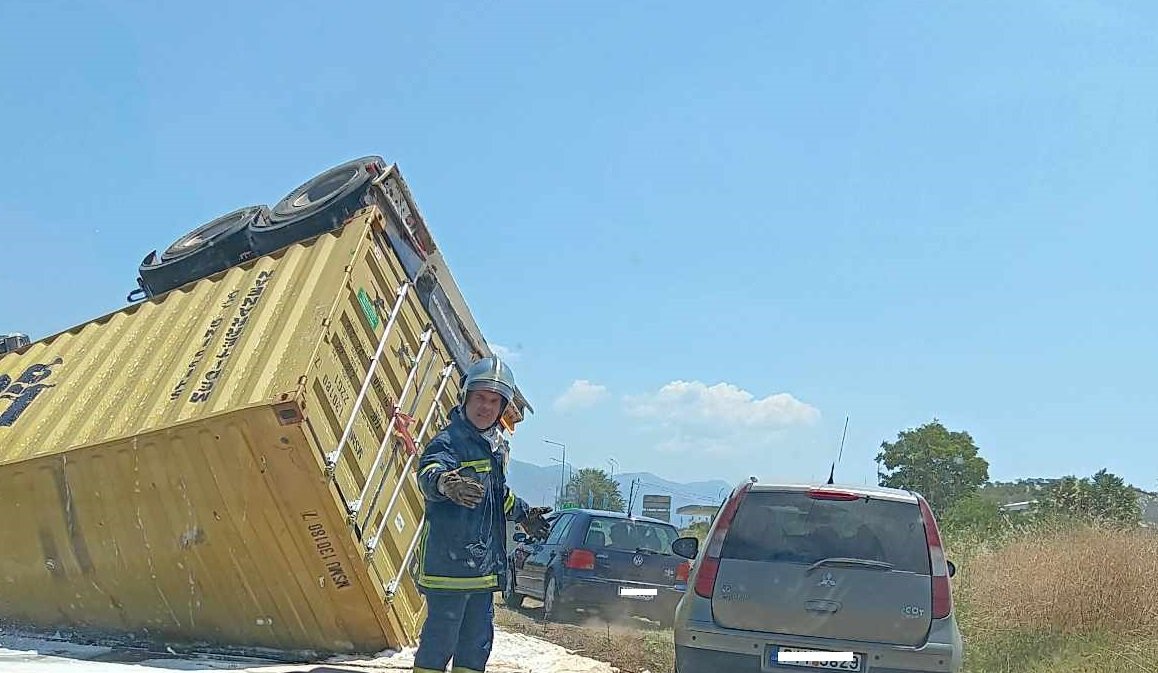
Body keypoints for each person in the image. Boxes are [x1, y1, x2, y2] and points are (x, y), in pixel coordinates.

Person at [412, 356, 551, 673]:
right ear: (465, 398)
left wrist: (524, 514)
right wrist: (446, 483)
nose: (485, 407)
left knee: (476, 647)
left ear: (501, 409)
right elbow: (429, 473)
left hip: (482, 573)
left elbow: (497, 497)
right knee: (439, 644)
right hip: (448, 570)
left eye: (493, 401)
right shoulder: (448, 442)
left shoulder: (490, 449)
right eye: (479, 398)